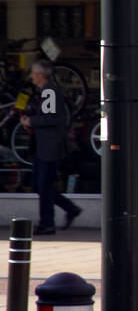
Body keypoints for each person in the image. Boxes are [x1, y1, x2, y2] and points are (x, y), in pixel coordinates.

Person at [22, 59, 80, 236]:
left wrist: (30, 121)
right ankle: (69, 209)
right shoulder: (47, 91)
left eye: (33, 73)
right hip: (44, 147)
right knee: (40, 185)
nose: (31, 76)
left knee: (43, 185)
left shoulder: (49, 92)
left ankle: (47, 223)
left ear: (40, 75)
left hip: (49, 147)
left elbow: (51, 118)